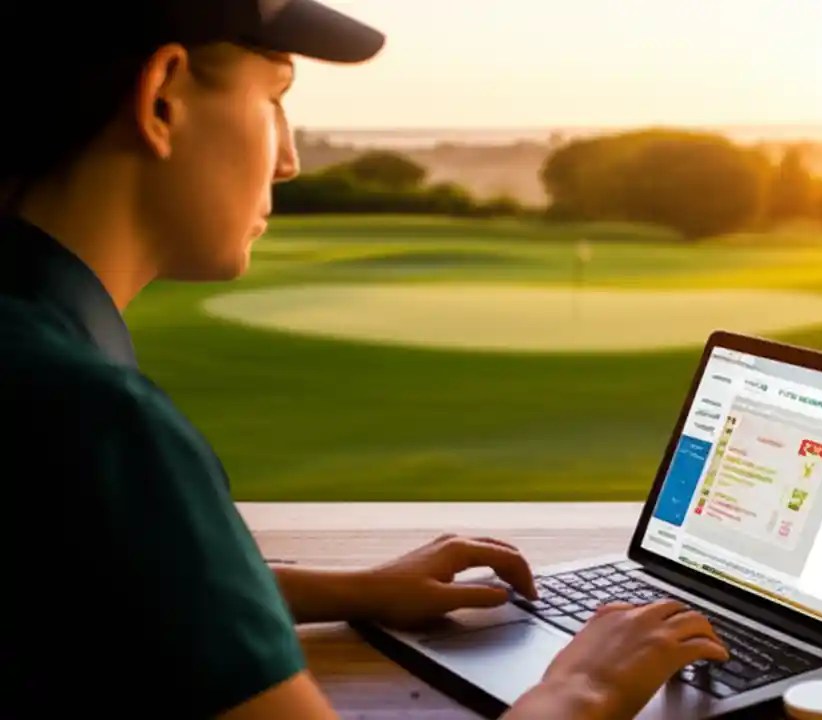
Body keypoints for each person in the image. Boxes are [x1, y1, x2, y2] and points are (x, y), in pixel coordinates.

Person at [0, 1, 727, 718]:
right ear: (162, 100)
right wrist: (584, 688)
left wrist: (354, 589)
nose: (287, 160)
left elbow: (105, 575)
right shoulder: (89, 422)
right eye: (276, 98)